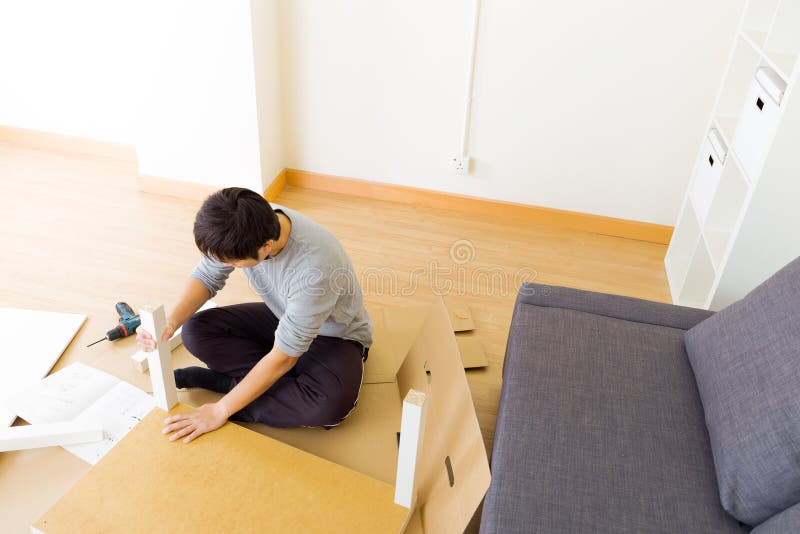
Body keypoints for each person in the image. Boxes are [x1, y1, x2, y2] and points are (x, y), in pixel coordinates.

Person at [137, 187, 372, 443]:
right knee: (196, 330)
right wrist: (170, 324)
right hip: (285, 316)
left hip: (334, 336)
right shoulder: (245, 221)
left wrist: (221, 409)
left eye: (233, 263)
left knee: (329, 406)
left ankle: (228, 386)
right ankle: (262, 388)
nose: (226, 266)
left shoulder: (315, 271)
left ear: (266, 246)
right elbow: (206, 276)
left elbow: (283, 359)